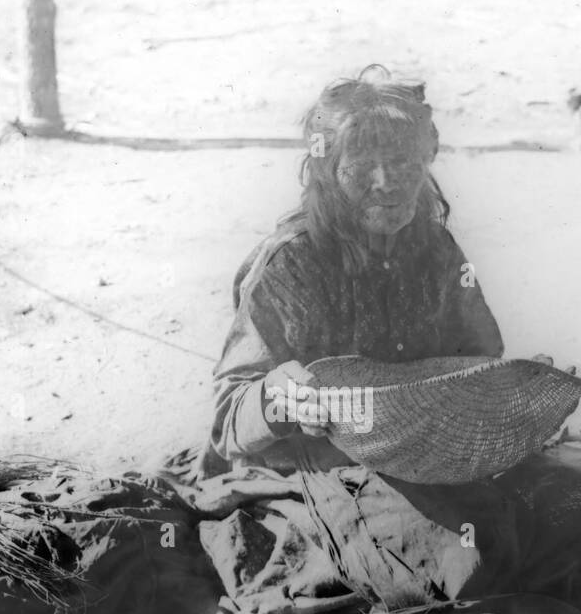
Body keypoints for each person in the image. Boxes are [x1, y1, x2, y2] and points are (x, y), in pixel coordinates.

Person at [200, 65, 507, 478]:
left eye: (401, 161)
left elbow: (478, 358)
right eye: (362, 164)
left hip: (426, 454)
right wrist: (276, 396)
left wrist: (511, 385)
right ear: (328, 171)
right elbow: (227, 419)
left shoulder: (437, 250)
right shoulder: (290, 264)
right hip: (319, 471)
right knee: (461, 545)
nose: (386, 182)